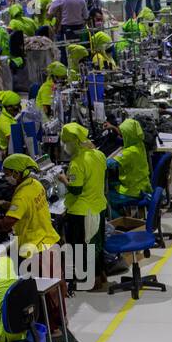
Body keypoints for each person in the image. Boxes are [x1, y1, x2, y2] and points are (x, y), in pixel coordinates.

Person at [0, 154, 61, 285]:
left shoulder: (21, 195)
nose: (6, 177)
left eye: (7, 173)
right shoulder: (35, 184)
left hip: (36, 251)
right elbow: (27, 207)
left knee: (44, 295)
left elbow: (4, 225)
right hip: (50, 242)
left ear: (17, 173)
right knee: (55, 289)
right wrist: (3, 204)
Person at [57, 123, 109, 291]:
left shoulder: (77, 163)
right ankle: (101, 275)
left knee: (83, 247)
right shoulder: (99, 154)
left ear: (73, 142)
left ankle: (91, 282)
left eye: (66, 143)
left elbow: (75, 189)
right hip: (99, 207)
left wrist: (63, 179)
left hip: (82, 212)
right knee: (97, 244)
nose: (65, 146)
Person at [105, 117, 151, 214]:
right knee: (112, 184)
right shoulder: (139, 144)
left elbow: (108, 164)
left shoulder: (129, 152)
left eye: (123, 133)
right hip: (142, 184)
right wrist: (114, 128)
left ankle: (117, 223)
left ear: (129, 134)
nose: (121, 135)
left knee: (105, 198)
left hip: (133, 190)